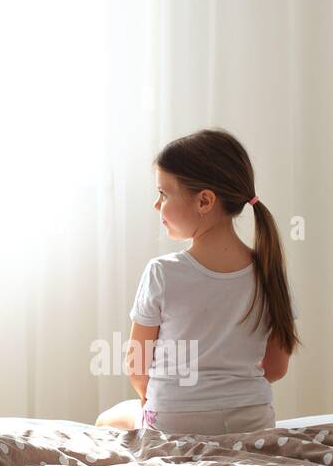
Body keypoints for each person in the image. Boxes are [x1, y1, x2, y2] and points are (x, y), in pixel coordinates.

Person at [95, 128, 299, 436]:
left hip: (174, 421)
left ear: (204, 201)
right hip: (252, 421)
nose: (156, 205)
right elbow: (276, 368)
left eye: (163, 194)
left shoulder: (162, 272)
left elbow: (137, 370)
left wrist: (168, 406)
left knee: (107, 420)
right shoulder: (269, 271)